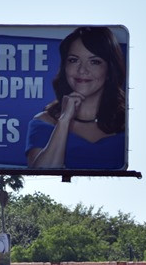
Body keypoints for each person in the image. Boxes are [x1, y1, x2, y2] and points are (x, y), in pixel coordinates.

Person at [26, 27, 127, 170]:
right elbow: (41, 172)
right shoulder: (44, 122)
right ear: (64, 67)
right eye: (74, 60)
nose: (82, 70)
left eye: (94, 62)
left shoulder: (128, 124)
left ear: (110, 70)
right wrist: (64, 121)